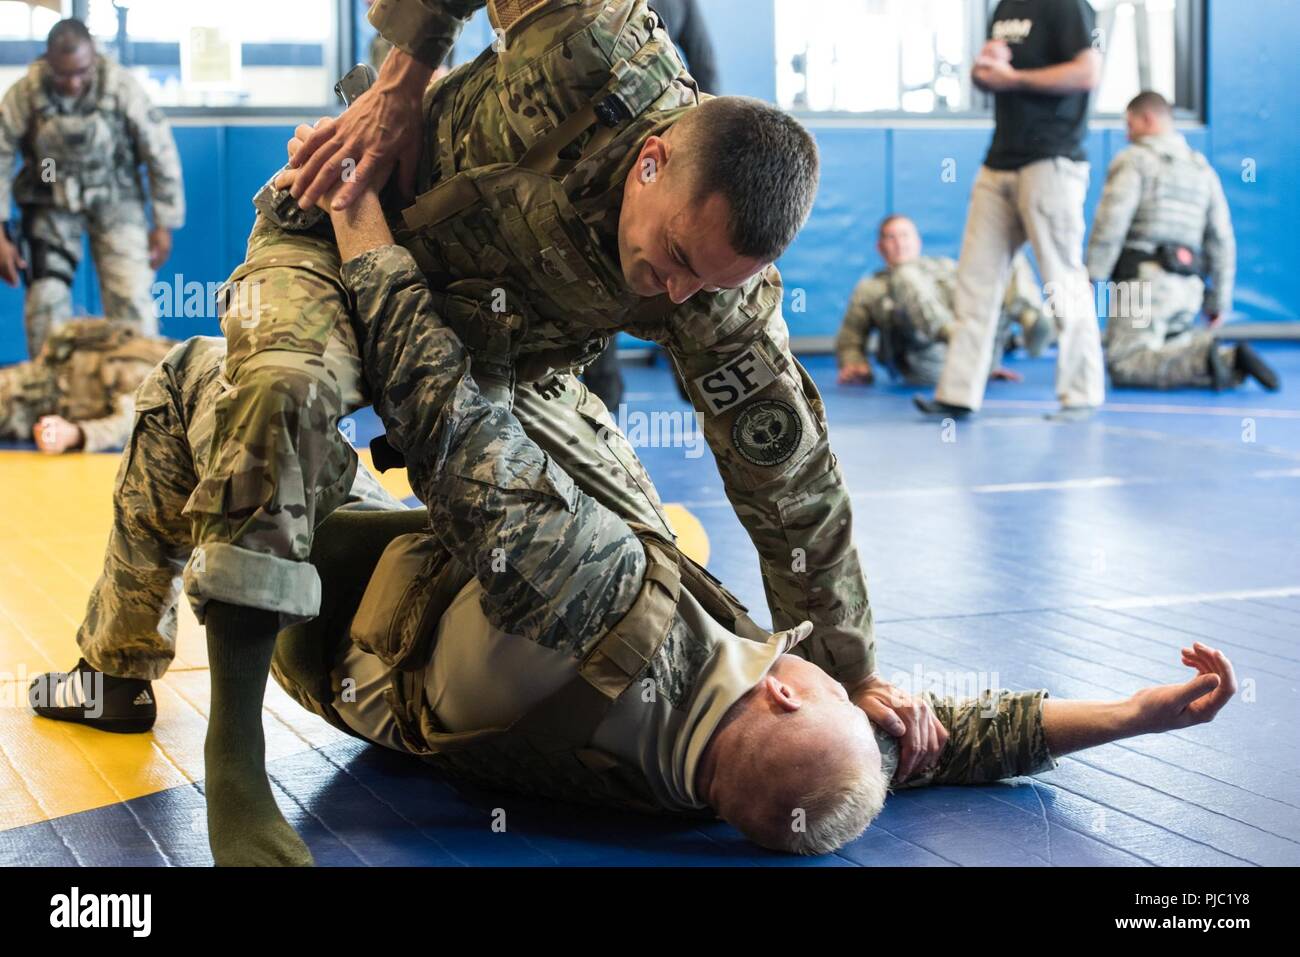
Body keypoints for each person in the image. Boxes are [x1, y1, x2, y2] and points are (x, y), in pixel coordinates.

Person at [34, 183, 1239, 861]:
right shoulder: (715, 784)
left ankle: (117, 666)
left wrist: (366, 241)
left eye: (823, 685)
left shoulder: (598, 595)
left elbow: (440, 406)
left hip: (339, 588)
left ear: (780, 695)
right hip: (397, 646)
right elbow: (940, 744)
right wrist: (1127, 715)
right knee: (612, 495)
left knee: (203, 382)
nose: (842, 678)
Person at [33, 0, 927, 865]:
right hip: (342, 228)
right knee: (284, 390)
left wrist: (848, 681)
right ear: (650, 161)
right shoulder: (594, 41)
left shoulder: (719, 288)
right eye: (679, 259)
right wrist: (401, 75)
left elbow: (794, 486)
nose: (677, 295)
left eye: (710, 284)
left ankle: (397, 609)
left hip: (501, 354)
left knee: (616, 549)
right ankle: (231, 758)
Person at [916, 0, 1105, 419]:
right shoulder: (1004, 7)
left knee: (1062, 278)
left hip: (1052, 161)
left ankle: (1082, 393)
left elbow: (1088, 72)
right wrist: (984, 73)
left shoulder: (1069, 6)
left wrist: (1013, 77)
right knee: (975, 281)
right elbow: (992, 77)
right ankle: (958, 394)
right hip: (999, 161)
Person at [0, 18, 184, 359]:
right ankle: (50, 398)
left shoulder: (121, 87)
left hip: (115, 194)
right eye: (62, 74)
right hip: (50, 185)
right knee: (45, 301)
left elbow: (159, 150)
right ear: (47, 61)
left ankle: (141, 398)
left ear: (94, 58)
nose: (72, 83)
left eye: (81, 72)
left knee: (132, 299)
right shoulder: (25, 93)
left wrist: (163, 224)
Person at [1087, 91, 1278, 392]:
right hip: (1188, 289)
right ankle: (1220, 355)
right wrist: (1219, 301)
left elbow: (1111, 221)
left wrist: (1092, 274)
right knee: (1166, 346)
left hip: (1143, 285)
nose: (1127, 134)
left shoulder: (1134, 160)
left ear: (1147, 119)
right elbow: (1222, 240)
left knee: (1124, 363)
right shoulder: (1202, 169)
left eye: (1130, 124)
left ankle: (1208, 358)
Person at [583, 0, 722, 410]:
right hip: (595, 153)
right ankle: (604, 402)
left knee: (677, 267)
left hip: (657, 148)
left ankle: (695, 387)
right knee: (599, 277)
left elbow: (704, 64)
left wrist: (704, 147)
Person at [836, 214, 1052, 387]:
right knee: (904, 274)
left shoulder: (944, 266)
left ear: (917, 241)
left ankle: (1028, 318)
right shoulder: (870, 288)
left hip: (977, 349)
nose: (899, 243)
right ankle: (958, 338)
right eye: (891, 238)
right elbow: (851, 336)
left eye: (904, 236)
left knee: (1007, 254)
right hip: (927, 360)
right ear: (880, 247)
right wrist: (854, 363)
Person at [0, 317, 174, 452]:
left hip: (36, 407)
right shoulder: (156, 357)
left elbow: (127, 424)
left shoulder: (158, 372)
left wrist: (76, 434)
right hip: (38, 383)